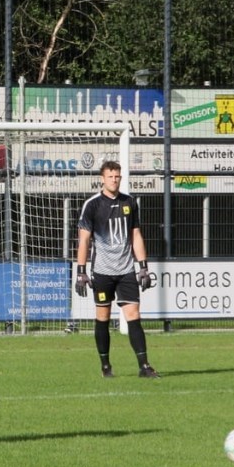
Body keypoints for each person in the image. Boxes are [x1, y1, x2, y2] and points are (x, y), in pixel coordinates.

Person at [73, 160, 160, 379]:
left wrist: (143, 267)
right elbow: (83, 240)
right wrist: (81, 272)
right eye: (111, 176)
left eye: (117, 176)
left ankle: (144, 366)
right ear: (102, 178)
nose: (115, 180)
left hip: (126, 271)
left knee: (134, 315)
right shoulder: (92, 205)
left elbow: (136, 235)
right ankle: (105, 366)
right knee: (102, 317)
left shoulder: (129, 202)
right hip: (102, 272)